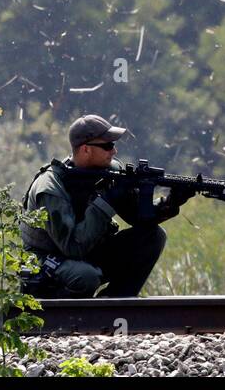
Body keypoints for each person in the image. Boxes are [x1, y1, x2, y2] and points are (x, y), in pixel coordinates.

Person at [18, 114, 190, 298]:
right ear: (85, 149)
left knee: (153, 237)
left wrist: (171, 202)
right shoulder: (50, 187)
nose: (114, 151)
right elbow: (72, 247)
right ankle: (68, 321)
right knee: (86, 276)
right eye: (107, 146)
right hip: (47, 260)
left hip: (87, 251)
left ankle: (115, 306)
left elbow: (141, 219)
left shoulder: (110, 172)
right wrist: (107, 201)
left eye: (113, 145)